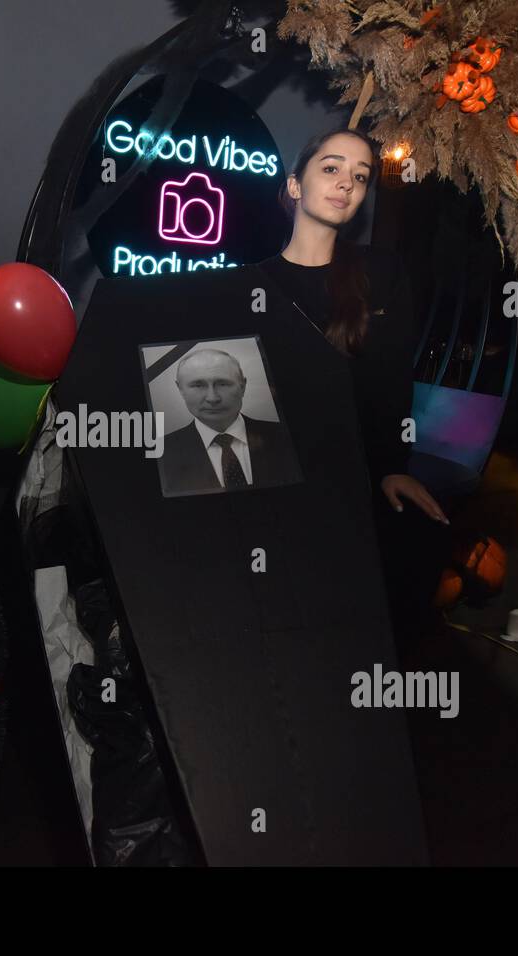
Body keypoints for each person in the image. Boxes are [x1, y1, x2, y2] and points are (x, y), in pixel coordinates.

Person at [257, 126, 451, 640]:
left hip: (354, 471)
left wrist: (392, 469)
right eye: (331, 168)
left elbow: (390, 382)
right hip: (276, 478)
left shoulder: (380, 272)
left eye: (360, 177)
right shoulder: (252, 284)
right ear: (295, 185)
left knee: (414, 545)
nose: (346, 183)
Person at [158, 347, 298, 495]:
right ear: (180, 389)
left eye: (223, 384)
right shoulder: (161, 453)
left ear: (242, 386)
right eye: (198, 385)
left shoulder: (284, 435)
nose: (213, 398)